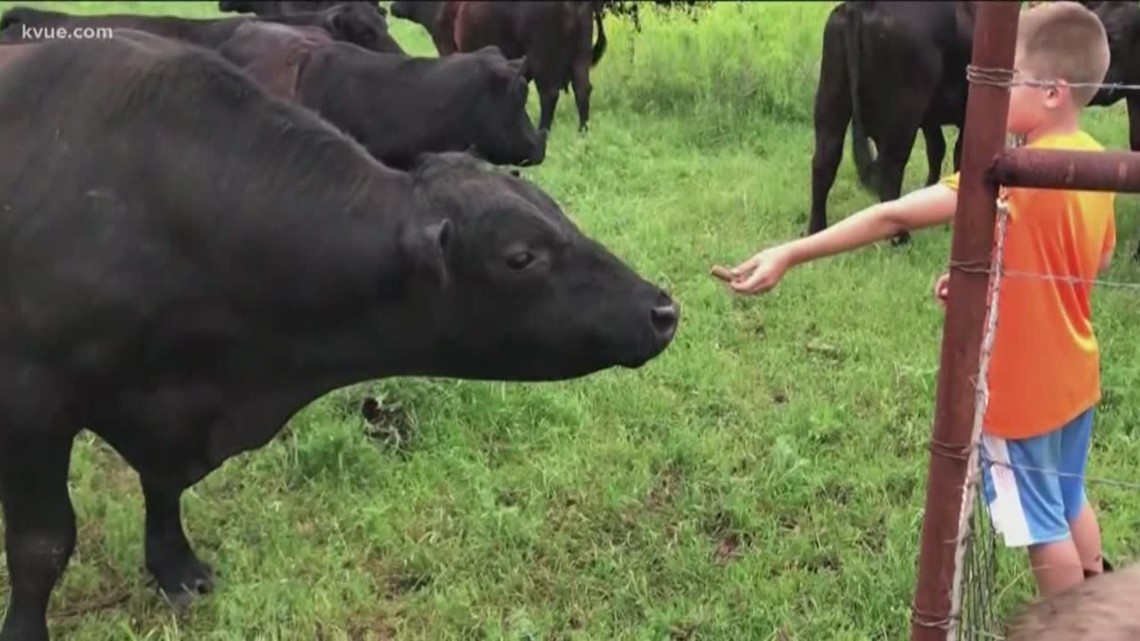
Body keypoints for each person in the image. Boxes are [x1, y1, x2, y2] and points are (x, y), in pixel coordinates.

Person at [718, 1, 1116, 598]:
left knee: (1043, 528)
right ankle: (1104, 599)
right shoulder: (1095, 163)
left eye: (1007, 78)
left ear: (1053, 92)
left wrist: (791, 253)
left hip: (1023, 391)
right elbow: (1095, 259)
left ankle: (1075, 625)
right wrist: (998, 281)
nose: (989, 91)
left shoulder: (1010, 173)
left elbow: (893, 215)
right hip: (1076, 377)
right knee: (1070, 496)